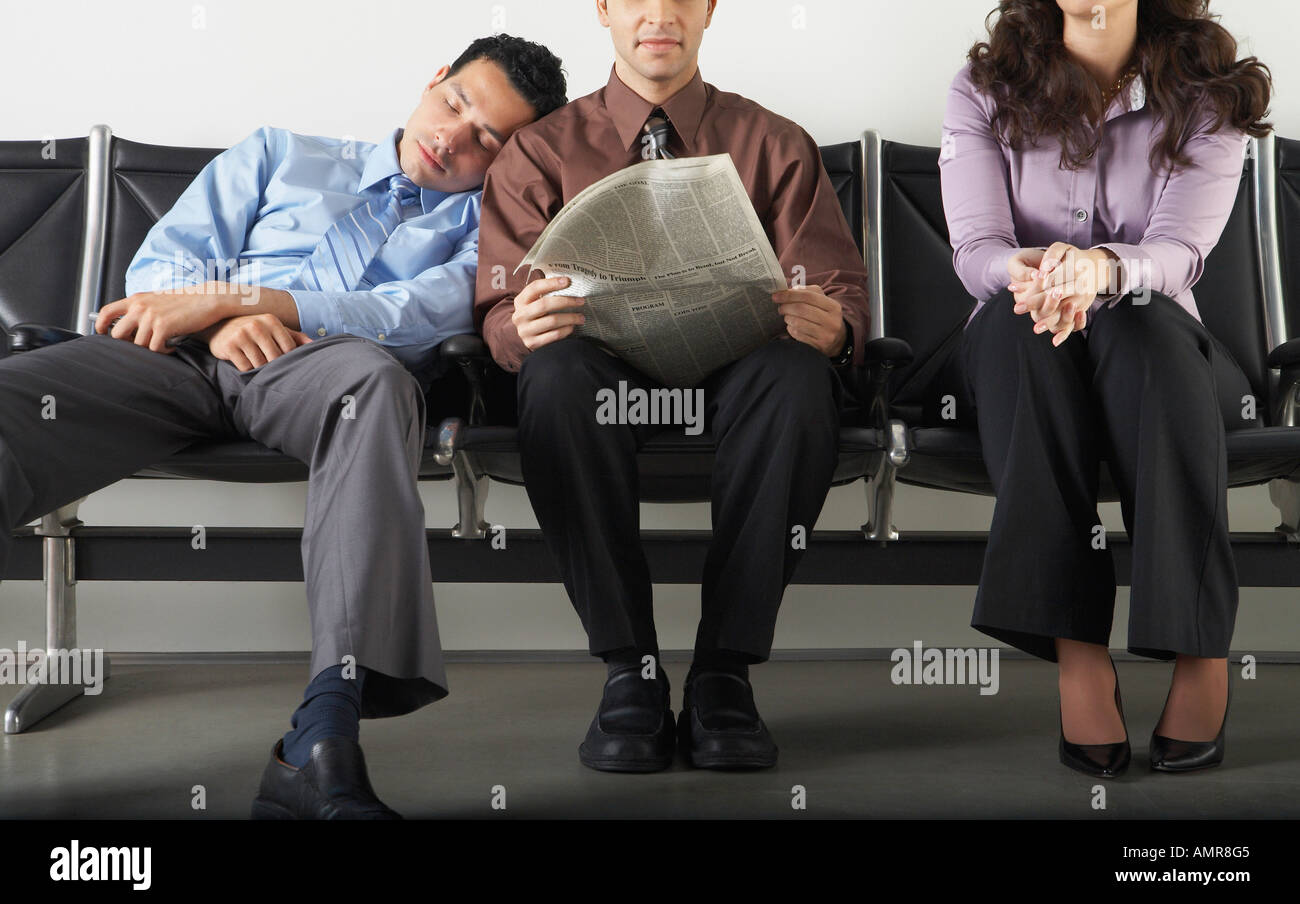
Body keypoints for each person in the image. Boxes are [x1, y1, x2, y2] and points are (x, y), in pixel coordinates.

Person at [0, 34, 567, 818]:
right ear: (435, 78)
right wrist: (214, 326)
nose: (453, 136)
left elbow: (410, 316)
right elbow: (161, 268)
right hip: (181, 358)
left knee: (377, 382)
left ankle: (322, 733)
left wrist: (249, 304)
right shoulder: (278, 153)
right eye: (456, 102)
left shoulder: (488, 229)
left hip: (320, 367)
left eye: (488, 140)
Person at [474, 0, 869, 773]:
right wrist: (517, 323)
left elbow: (838, 293)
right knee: (554, 376)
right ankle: (632, 669)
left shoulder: (775, 142)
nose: (661, 14)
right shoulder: (538, 150)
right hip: (598, 368)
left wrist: (839, 327)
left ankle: (726, 668)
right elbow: (497, 306)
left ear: (712, 8)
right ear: (604, 10)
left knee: (797, 378)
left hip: (744, 367)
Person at [920, 0, 1271, 776]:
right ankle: (1079, 655)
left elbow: (1179, 251)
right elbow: (977, 248)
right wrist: (1027, 273)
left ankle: (1197, 649)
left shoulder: (1207, 91)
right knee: (1019, 331)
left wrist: (1102, 270)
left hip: (1158, 345)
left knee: (1141, 323)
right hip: (1021, 337)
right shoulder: (983, 88)